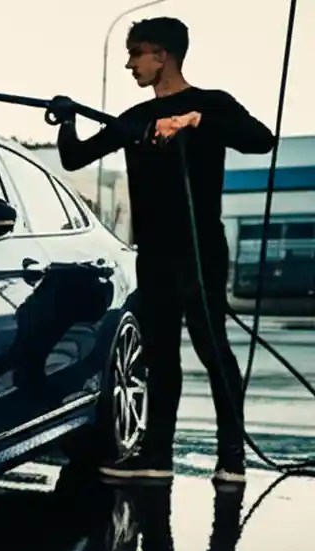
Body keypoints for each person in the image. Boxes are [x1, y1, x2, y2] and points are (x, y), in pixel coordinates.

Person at [55, 17, 276, 487]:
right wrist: (67, 118)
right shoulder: (135, 119)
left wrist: (194, 121)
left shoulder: (211, 104)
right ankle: (157, 454)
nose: (130, 63)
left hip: (199, 251)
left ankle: (232, 459)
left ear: (164, 55)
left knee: (211, 346)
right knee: (159, 353)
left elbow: (262, 139)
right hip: (153, 253)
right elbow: (75, 157)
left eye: (137, 53)